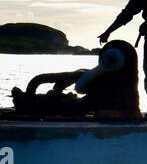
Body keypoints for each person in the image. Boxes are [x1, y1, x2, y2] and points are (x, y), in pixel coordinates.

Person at [11, 40, 140, 119]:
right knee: (61, 104)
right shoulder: (105, 76)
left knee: (62, 106)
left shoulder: (101, 76)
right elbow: (81, 87)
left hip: (98, 102)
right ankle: (31, 101)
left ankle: (30, 102)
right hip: (101, 102)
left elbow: (80, 88)